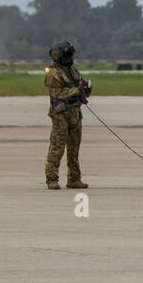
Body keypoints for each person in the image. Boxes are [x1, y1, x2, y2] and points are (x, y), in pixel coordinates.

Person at [44, 41, 91, 190]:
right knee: (57, 147)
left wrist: (85, 89)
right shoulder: (53, 73)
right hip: (61, 115)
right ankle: (52, 178)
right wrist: (76, 91)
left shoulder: (73, 71)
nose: (70, 57)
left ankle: (74, 179)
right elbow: (56, 93)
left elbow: (79, 88)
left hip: (75, 114)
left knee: (74, 148)